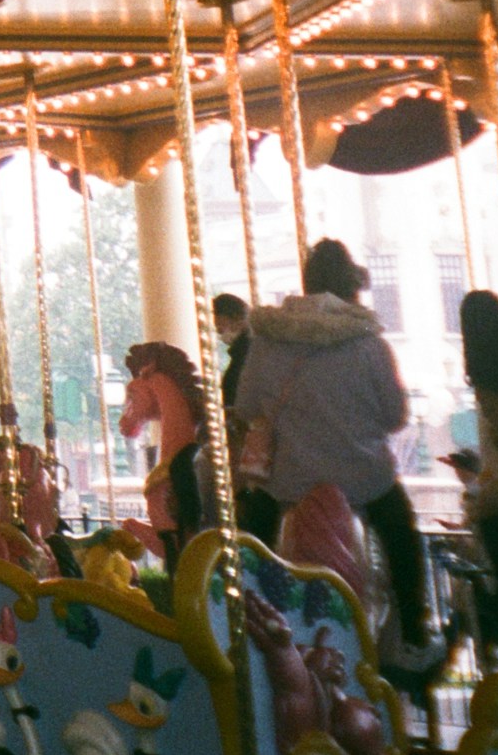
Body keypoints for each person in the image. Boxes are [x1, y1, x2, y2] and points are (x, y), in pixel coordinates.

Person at [235, 239, 440, 674]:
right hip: (363, 483)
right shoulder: (368, 342)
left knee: (249, 538)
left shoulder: (268, 339)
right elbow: (394, 414)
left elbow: (248, 407)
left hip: (290, 486)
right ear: (351, 287)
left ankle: (240, 624)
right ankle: (414, 634)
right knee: (403, 535)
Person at [120, 342, 207, 548]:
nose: (128, 407)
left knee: (183, 466)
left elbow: (169, 544)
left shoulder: (179, 463)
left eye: (132, 396)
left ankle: (193, 526)